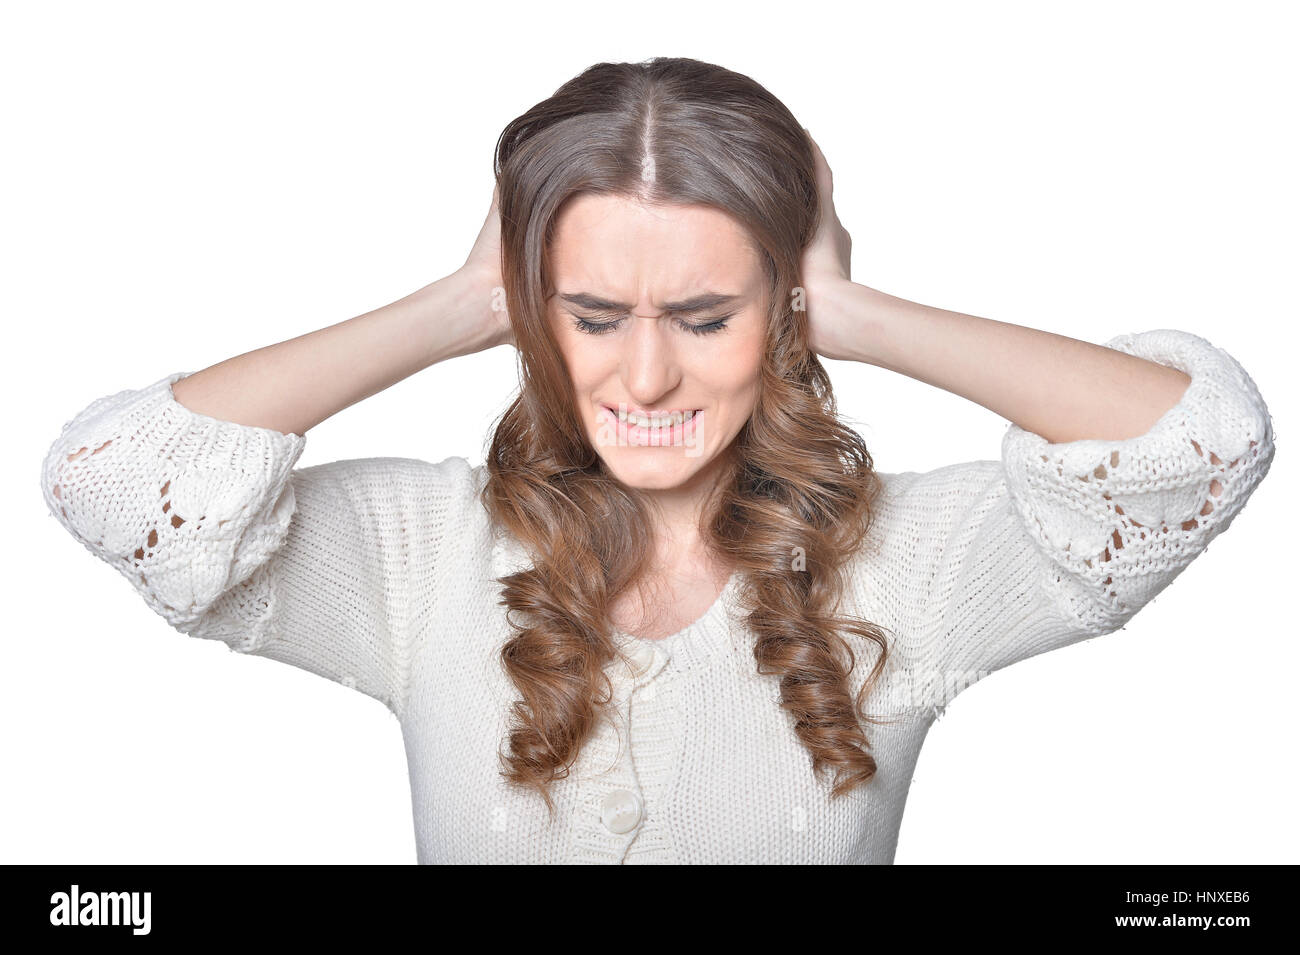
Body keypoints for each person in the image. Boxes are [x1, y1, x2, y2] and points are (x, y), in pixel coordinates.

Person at [39, 57, 1275, 864]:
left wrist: (846, 307)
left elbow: (1202, 443)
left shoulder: (907, 566)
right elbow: (111, 477)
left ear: (776, 305)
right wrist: (471, 296)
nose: (644, 381)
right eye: (589, 317)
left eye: (702, 318)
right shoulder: (416, 554)